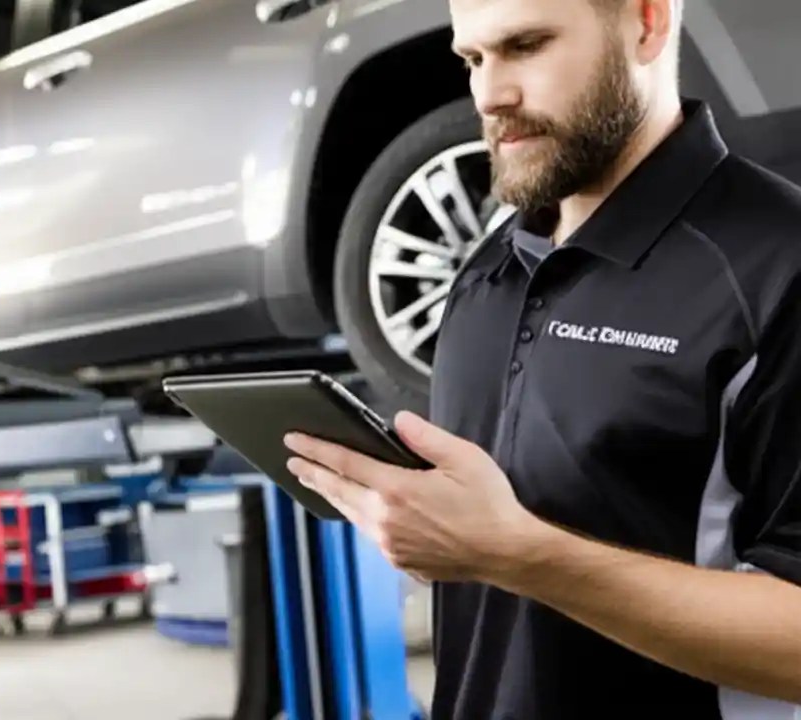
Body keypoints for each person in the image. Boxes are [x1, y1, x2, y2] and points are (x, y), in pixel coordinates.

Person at [282, 0, 801, 718]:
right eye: (472, 59)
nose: (490, 94)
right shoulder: (484, 271)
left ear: (647, 22)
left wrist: (517, 554)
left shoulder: (778, 267)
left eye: (525, 45)